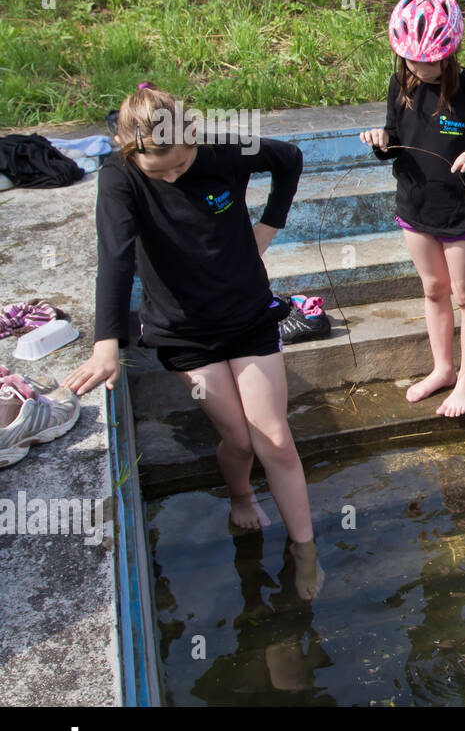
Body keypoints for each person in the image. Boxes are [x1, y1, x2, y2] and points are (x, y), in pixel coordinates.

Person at [63, 84, 323, 599]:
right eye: (161, 171)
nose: (175, 177)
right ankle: (241, 496)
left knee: (275, 437)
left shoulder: (223, 149)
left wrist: (270, 224)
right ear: (130, 151)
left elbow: (289, 158)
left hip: (248, 313)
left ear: (194, 139)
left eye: (183, 165)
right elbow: (115, 258)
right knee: (242, 439)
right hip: (182, 330)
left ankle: (305, 550)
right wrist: (106, 343)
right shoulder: (119, 177)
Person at [361, 0, 465, 414]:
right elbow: (394, 138)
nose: (420, 69)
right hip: (414, 204)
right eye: (411, 60)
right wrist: (381, 142)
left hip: (460, 208)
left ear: (450, 52)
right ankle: (442, 368)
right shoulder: (399, 84)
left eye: (430, 61)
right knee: (433, 289)